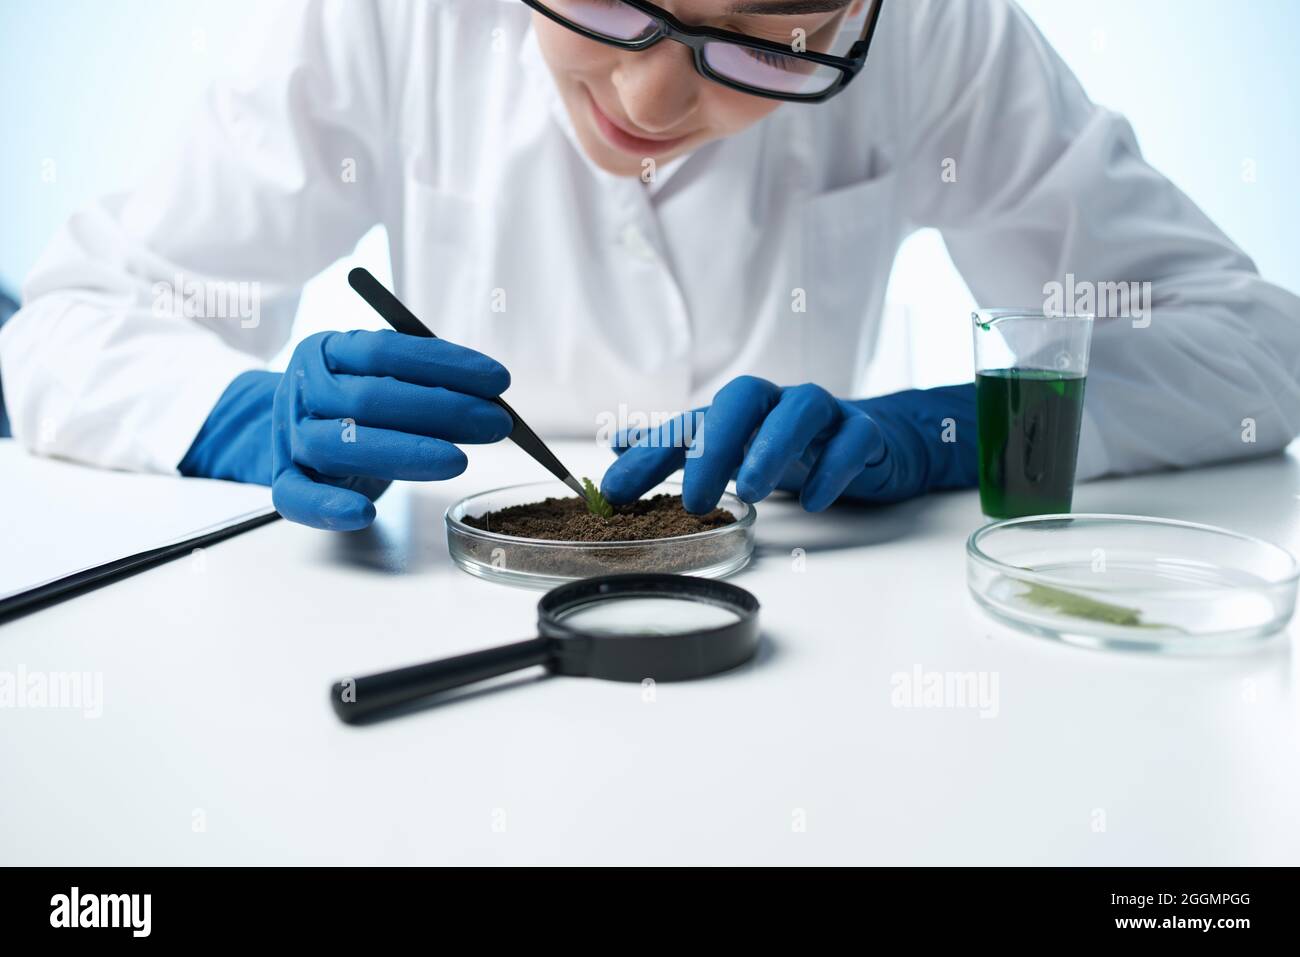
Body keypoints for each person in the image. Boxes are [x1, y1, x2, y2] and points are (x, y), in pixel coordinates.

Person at [1, 0, 1297, 530]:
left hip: (806, 653)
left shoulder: (932, 34)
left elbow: (1261, 353)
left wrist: (964, 435)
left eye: (768, 40)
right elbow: (65, 322)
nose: (652, 94)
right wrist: (236, 417)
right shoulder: (390, 17)